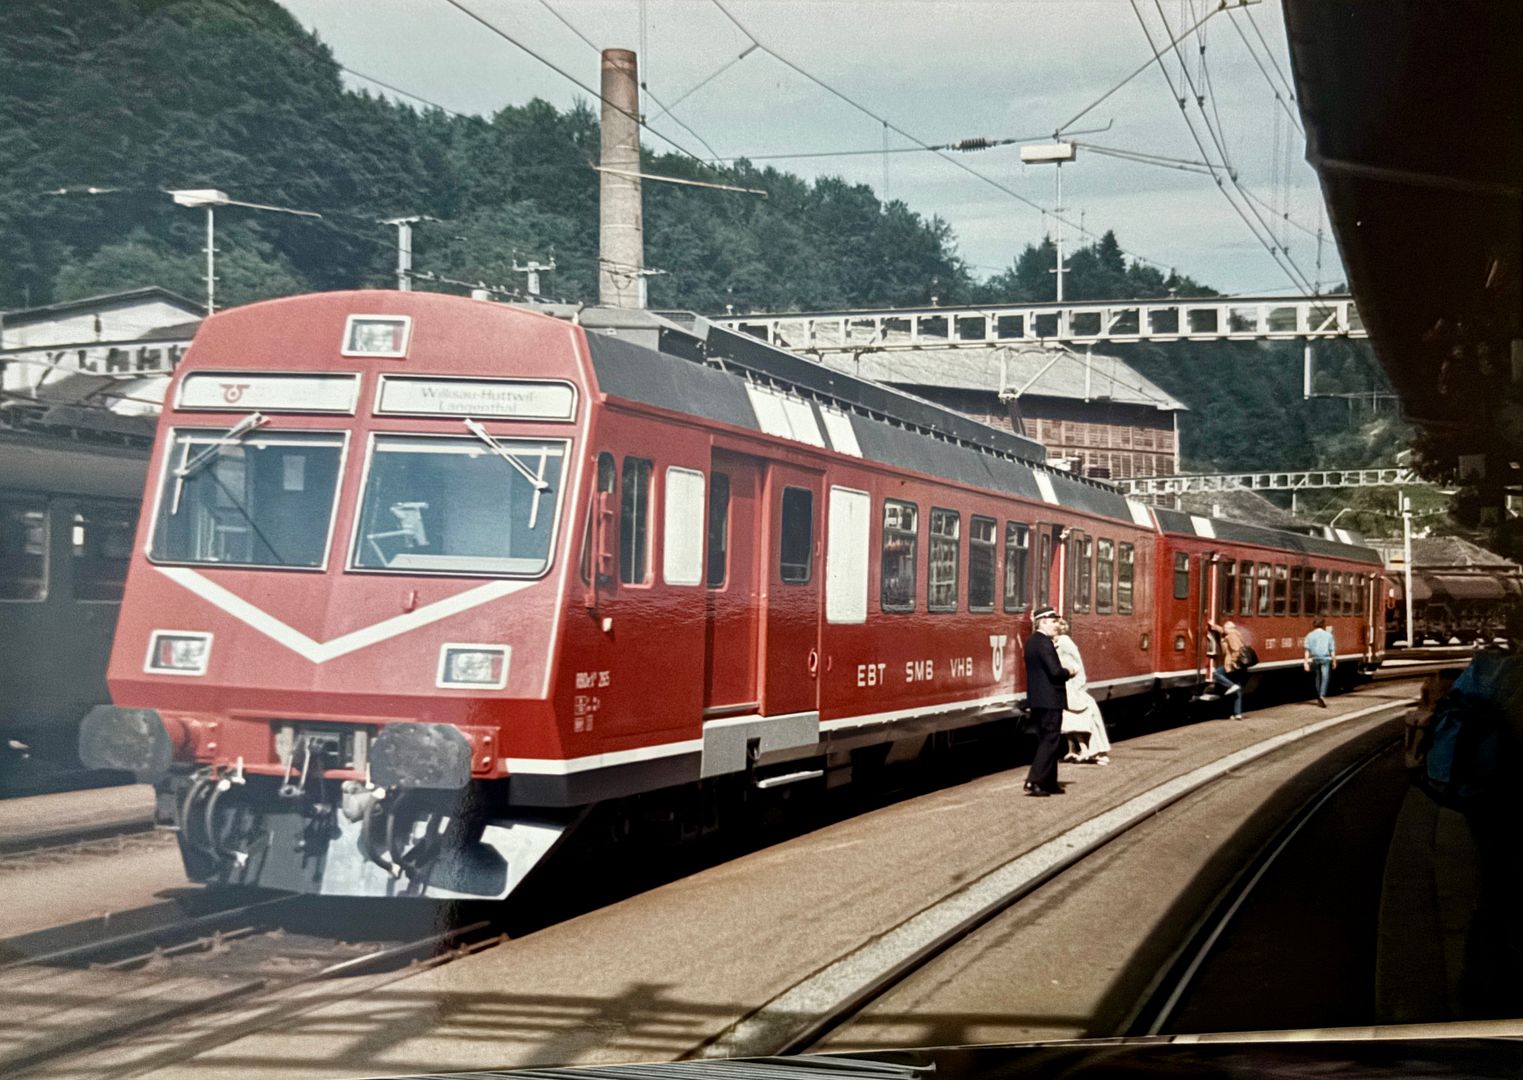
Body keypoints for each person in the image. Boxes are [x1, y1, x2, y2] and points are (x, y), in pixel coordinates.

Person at [1023, 606, 1070, 796]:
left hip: (1038, 699)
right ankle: (1034, 781)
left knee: (1048, 740)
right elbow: (1055, 671)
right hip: (1050, 699)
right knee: (1050, 741)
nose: (1055, 625)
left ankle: (1049, 782)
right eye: (1052, 621)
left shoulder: (1032, 643)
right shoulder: (1044, 643)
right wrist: (1069, 672)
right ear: (1042, 622)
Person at [1054, 618, 1111, 765]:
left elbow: (1078, 662)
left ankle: (1086, 750)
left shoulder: (1065, 641)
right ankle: (1072, 750)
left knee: (1074, 719)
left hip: (1073, 686)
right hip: (1065, 685)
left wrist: (1079, 685)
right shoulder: (1054, 643)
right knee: (1067, 719)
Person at [1208, 618, 1247, 718]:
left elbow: (1236, 650)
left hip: (1232, 664)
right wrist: (1214, 626)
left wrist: (1233, 663)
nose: (1223, 629)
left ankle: (1230, 685)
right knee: (1238, 689)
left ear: (1229, 629)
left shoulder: (1232, 636)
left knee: (1217, 674)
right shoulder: (1234, 633)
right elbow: (1223, 630)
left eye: (1225, 628)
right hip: (1238, 665)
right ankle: (1237, 714)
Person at [1303, 616, 1335, 706]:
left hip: (1315, 658)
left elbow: (1307, 650)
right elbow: (1331, 649)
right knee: (1325, 677)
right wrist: (1334, 660)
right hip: (1325, 658)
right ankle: (1322, 695)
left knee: (1317, 677)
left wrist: (1305, 662)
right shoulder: (1328, 635)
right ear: (1323, 625)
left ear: (1314, 625)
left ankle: (1318, 695)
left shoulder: (1309, 635)